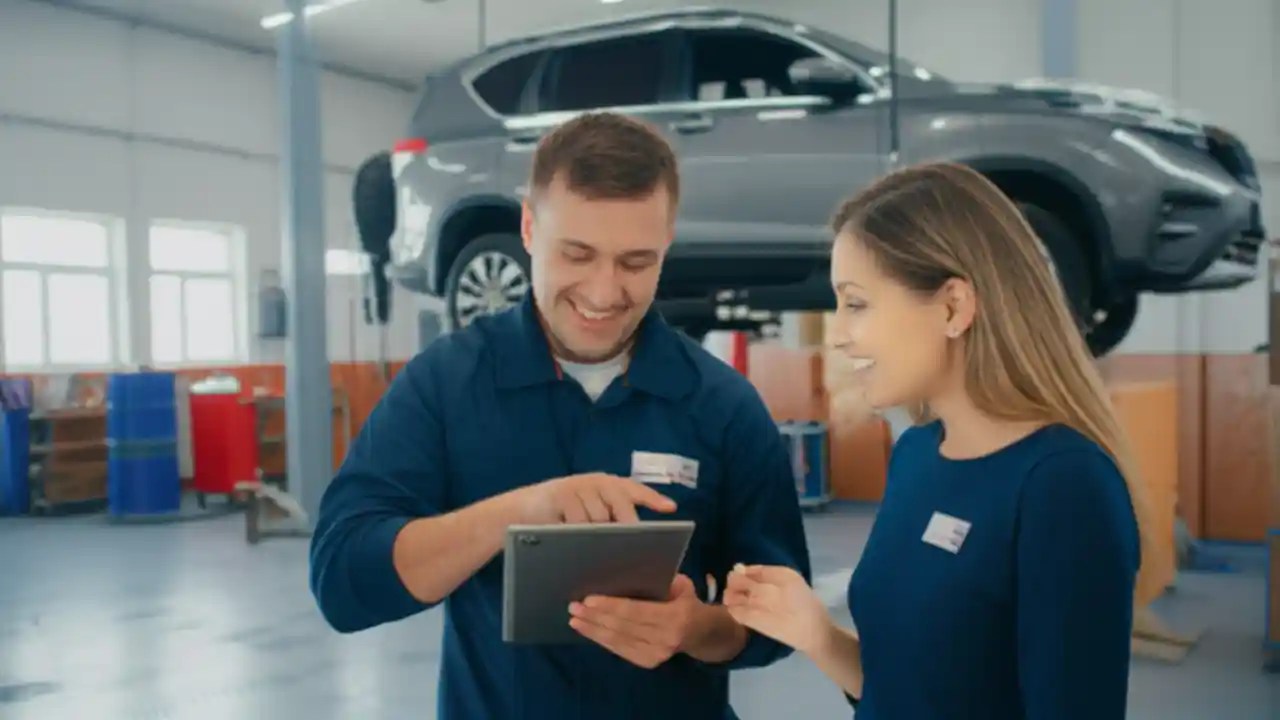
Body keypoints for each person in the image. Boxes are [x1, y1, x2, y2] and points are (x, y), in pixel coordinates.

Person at [308, 111, 811, 720]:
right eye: (576, 254)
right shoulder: (446, 383)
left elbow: (780, 620)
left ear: (667, 245)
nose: (603, 293)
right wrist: (519, 513)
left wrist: (694, 628)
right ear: (527, 227)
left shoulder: (722, 405)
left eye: (635, 262)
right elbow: (343, 582)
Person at [724, 162, 1149, 720]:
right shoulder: (918, 454)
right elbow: (911, 690)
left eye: (855, 303)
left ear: (953, 306)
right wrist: (815, 634)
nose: (839, 335)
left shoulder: (1064, 486)